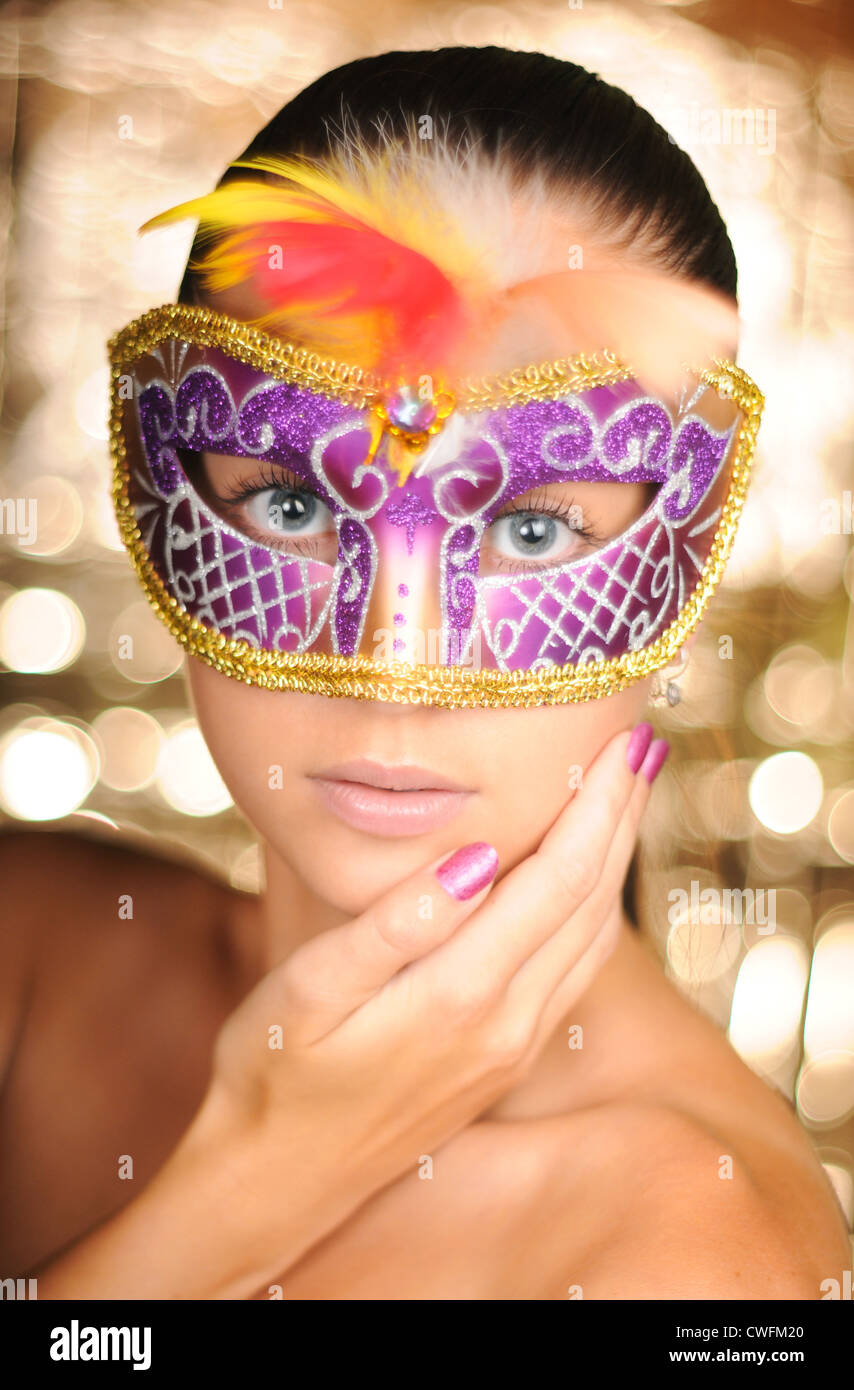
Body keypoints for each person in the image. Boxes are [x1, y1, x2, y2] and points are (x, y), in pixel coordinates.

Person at [1, 45, 849, 1301]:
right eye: (292, 499)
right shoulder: (27, 956)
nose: (393, 675)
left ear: (691, 535)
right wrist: (245, 1184)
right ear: (154, 463)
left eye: (530, 529)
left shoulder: (704, 1261)